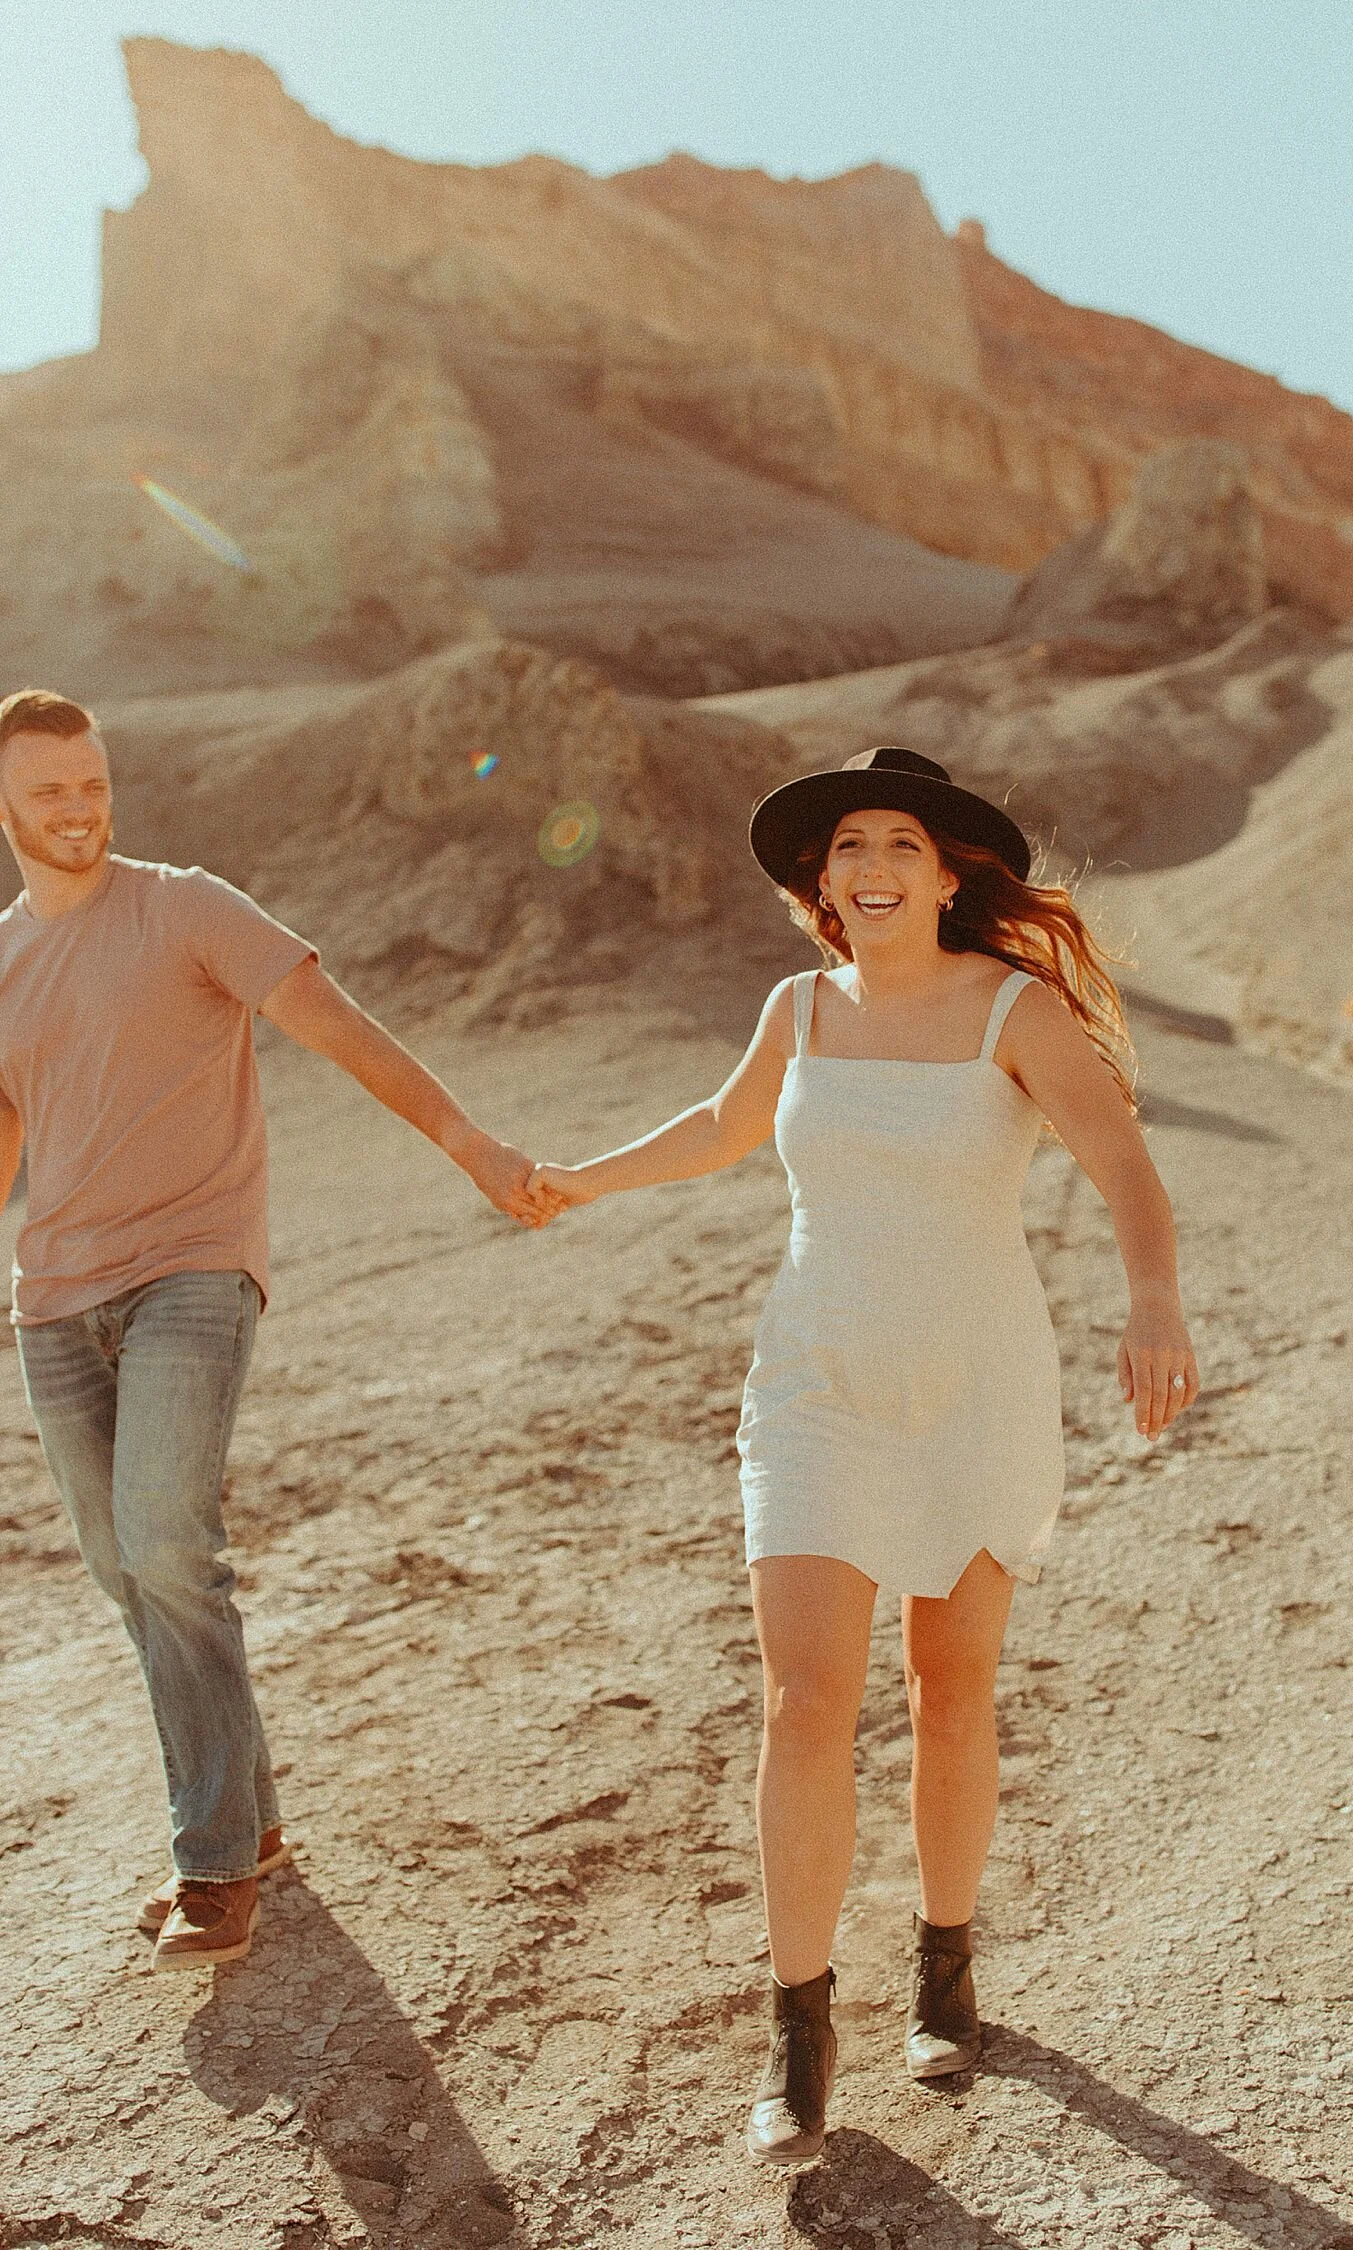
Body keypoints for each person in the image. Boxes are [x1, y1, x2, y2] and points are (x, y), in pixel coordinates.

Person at [527, 744, 1199, 2163]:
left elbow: (1125, 1167)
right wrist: (578, 1177)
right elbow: (721, 1128)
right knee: (802, 1699)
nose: (873, 867)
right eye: (848, 849)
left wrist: (1152, 1303)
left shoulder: (1017, 1010)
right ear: (819, 885)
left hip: (975, 1384)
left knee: (948, 1693)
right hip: (814, 1379)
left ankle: (946, 1961)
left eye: (900, 843)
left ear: (951, 873)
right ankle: (799, 2027)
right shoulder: (797, 1011)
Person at [0, 688, 544, 1970]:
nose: (79, 809)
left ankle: (211, 1864)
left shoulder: (187, 904)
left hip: (195, 1265)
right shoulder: (2, 955)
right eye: (50, 794)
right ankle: (253, 1819)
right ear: (6, 809)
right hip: (53, 1300)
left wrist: (467, 1139)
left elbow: (338, 1028)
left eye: (91, 783)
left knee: (170, 1544)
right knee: (129, 1572)